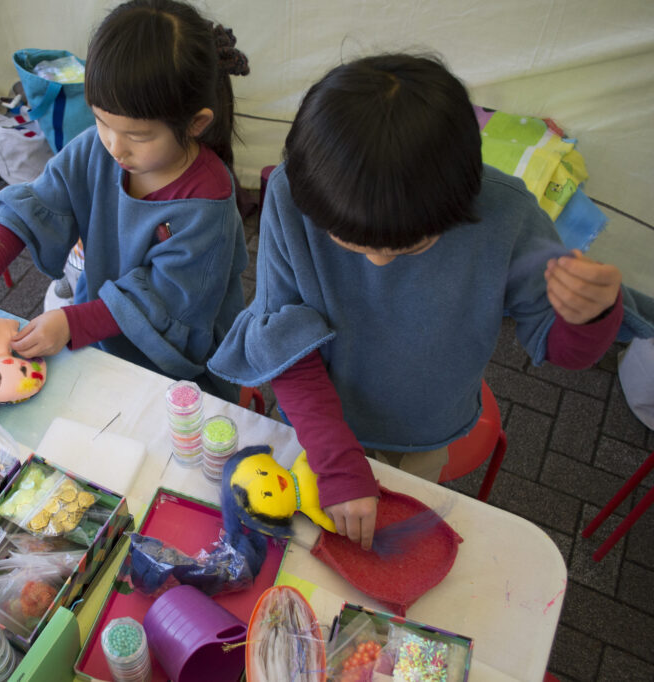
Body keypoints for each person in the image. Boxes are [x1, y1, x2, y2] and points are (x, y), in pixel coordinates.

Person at [209, 53, 654, 550]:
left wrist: (590, 315)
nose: (378, 262)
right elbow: (283, 343)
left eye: (409, 247)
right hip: (315, 423)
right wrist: (336, 460)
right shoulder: (295, 193)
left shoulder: (506, 216)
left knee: (392, 542)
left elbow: (561, 350)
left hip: (425, 431)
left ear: (462, 200)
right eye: (349, 241)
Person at [0, 0, 250, 400]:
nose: (114, 147)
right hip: (102, 340)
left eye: (137, 136)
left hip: (177, 372)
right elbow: (32, 206)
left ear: (196, 123)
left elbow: (163, 304)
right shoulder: (96, 149)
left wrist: (73, 323)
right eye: (101, 121)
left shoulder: (206, 205)